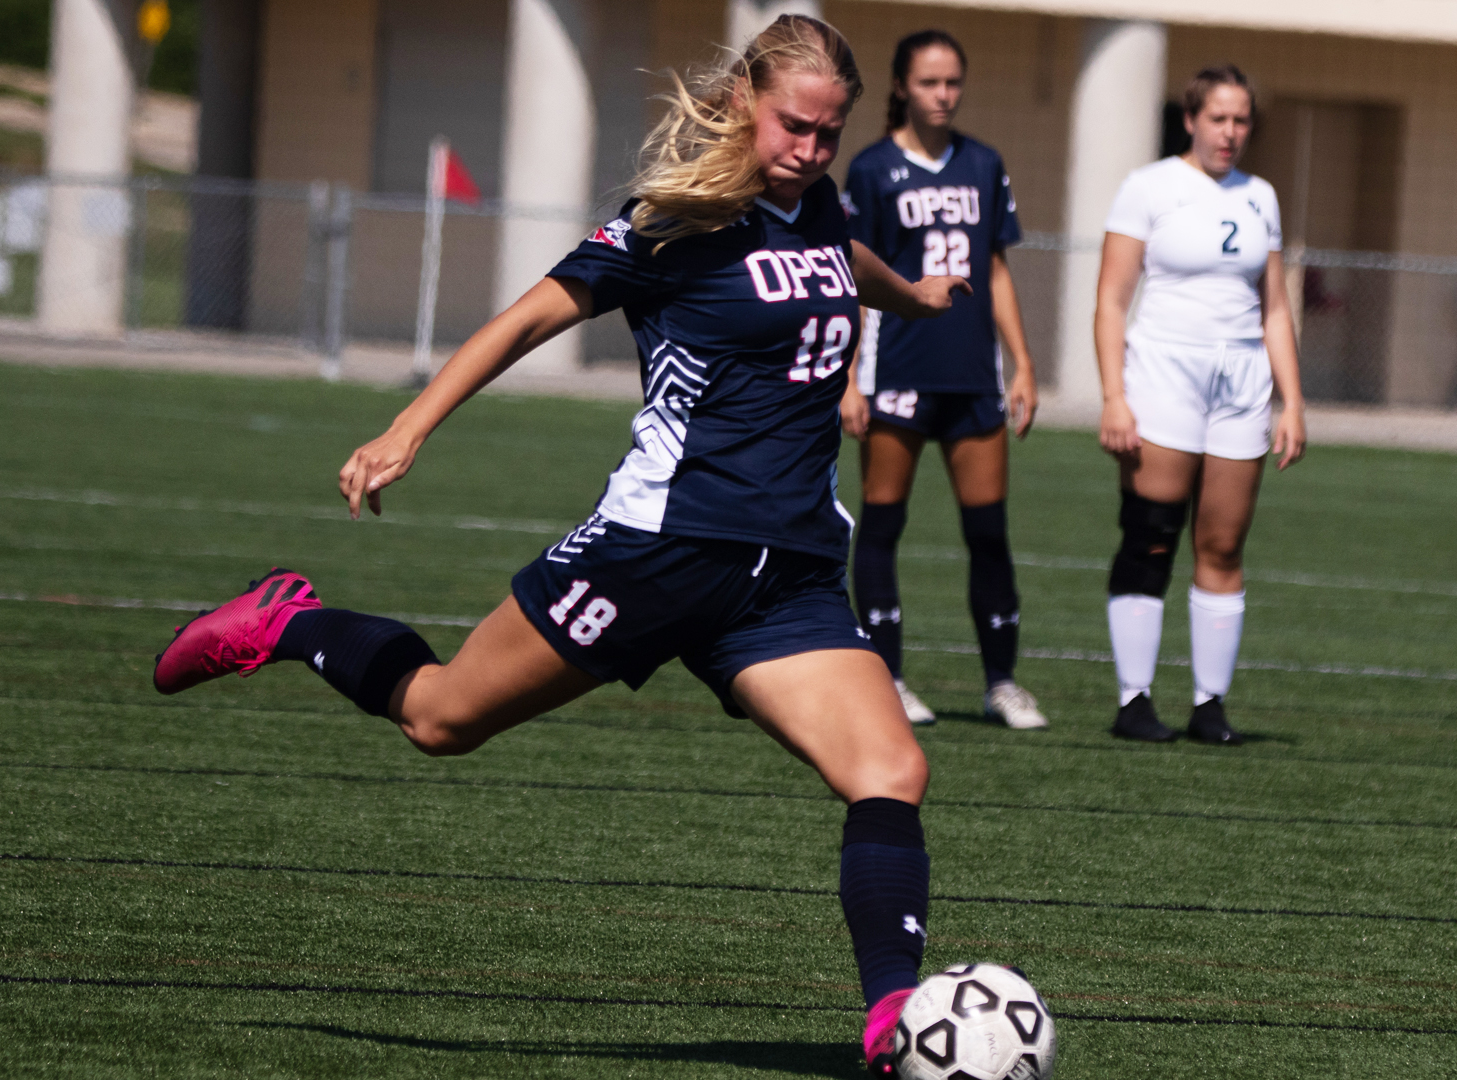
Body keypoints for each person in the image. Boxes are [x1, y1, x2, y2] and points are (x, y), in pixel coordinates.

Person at [150, 17, 966, 1076]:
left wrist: (908, 296)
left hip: (789, 575)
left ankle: (891, 1022)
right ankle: (288, 620)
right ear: (739, 105)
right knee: (441, 721)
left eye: (829, 132)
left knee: (891, 768)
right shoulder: (671, 226)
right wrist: (408, 428)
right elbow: (526, 321)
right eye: (792, 127)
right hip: (654, 550)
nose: (810, 149)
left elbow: (841, 257)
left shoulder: (820, 203)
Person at [839, 29, 1047, 731]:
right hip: (896, 369)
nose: (943, 95)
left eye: (953, 82)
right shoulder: (870, 170)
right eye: (929, 82)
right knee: (884, 523)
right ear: (901, 86)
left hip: (970, 375)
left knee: (988, 531)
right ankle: (889, 677)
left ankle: (1003, 683)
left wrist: (1021, 361)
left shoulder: (984, 163)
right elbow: (851, 279)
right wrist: (848, 380)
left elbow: (993, 269)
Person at [1094, 64, 1306, 745]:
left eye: (1241, 120)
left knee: (1221, 542)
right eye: (1218, 118)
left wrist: (1291, 400)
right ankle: (1134, 701)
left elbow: (1274, 307)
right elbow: (1110, 301)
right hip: (1163, 374)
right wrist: (1114, 398)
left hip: (1240, 384)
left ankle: (1209, 705)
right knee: (1152, 532)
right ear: (1190, 119)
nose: (1230, 133)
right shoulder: (1148, 187)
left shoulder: (1261, 197)